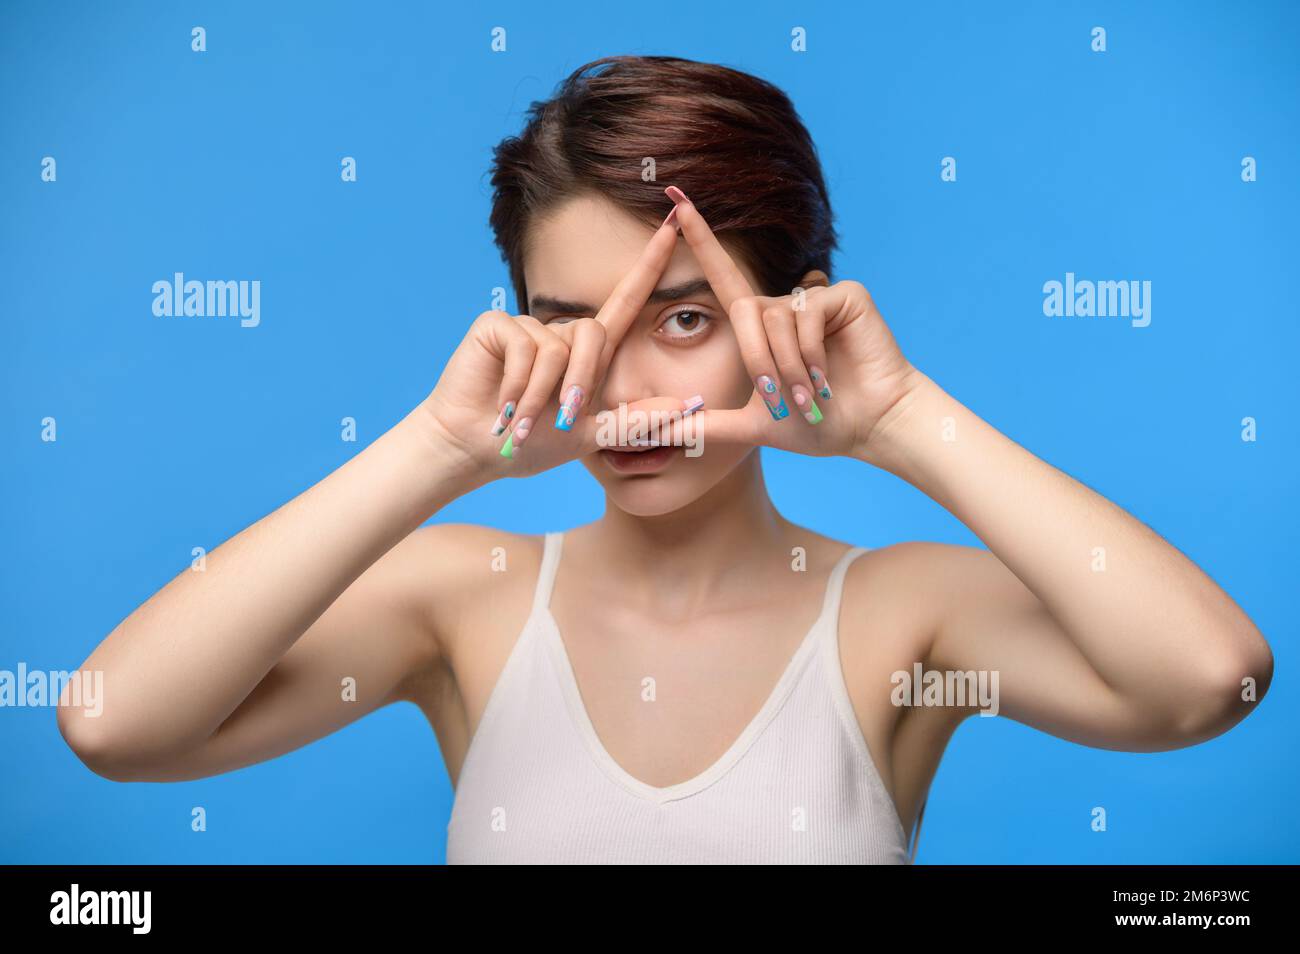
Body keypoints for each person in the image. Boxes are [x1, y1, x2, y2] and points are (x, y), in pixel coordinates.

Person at [57, 56, 1273, 864]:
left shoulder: (904, 618)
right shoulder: (460, 604)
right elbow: (115, 726)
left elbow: (1209, 679)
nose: (626, 388)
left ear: (795, 312)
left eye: (685, 319)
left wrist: (898, 419)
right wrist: (437, 449)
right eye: (570, 324)